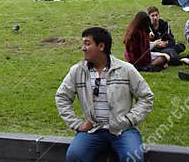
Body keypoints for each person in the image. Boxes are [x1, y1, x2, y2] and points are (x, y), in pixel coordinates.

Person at [55, 26, 153, 162]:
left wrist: (129, 120)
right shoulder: (77, 71)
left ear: (101, 46)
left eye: (87, 44)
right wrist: (77, 124)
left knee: (132, 157)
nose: (83, 48)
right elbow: (62, 97)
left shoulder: (125, 69)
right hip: (93, 130)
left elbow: (146, 97)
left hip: (123, 130)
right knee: (75, 156)